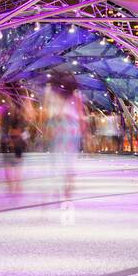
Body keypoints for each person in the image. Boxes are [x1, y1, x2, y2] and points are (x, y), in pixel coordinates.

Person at [42, 69, 85, 199]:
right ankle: (68, 188)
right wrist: (84, 132)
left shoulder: (52, 92)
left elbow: (47, 111)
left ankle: (58, 186)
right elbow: (81, 114)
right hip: (72, 128)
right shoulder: (76, 94)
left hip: (58, 126)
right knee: (70, 159)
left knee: (56, 156)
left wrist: (46, 127)